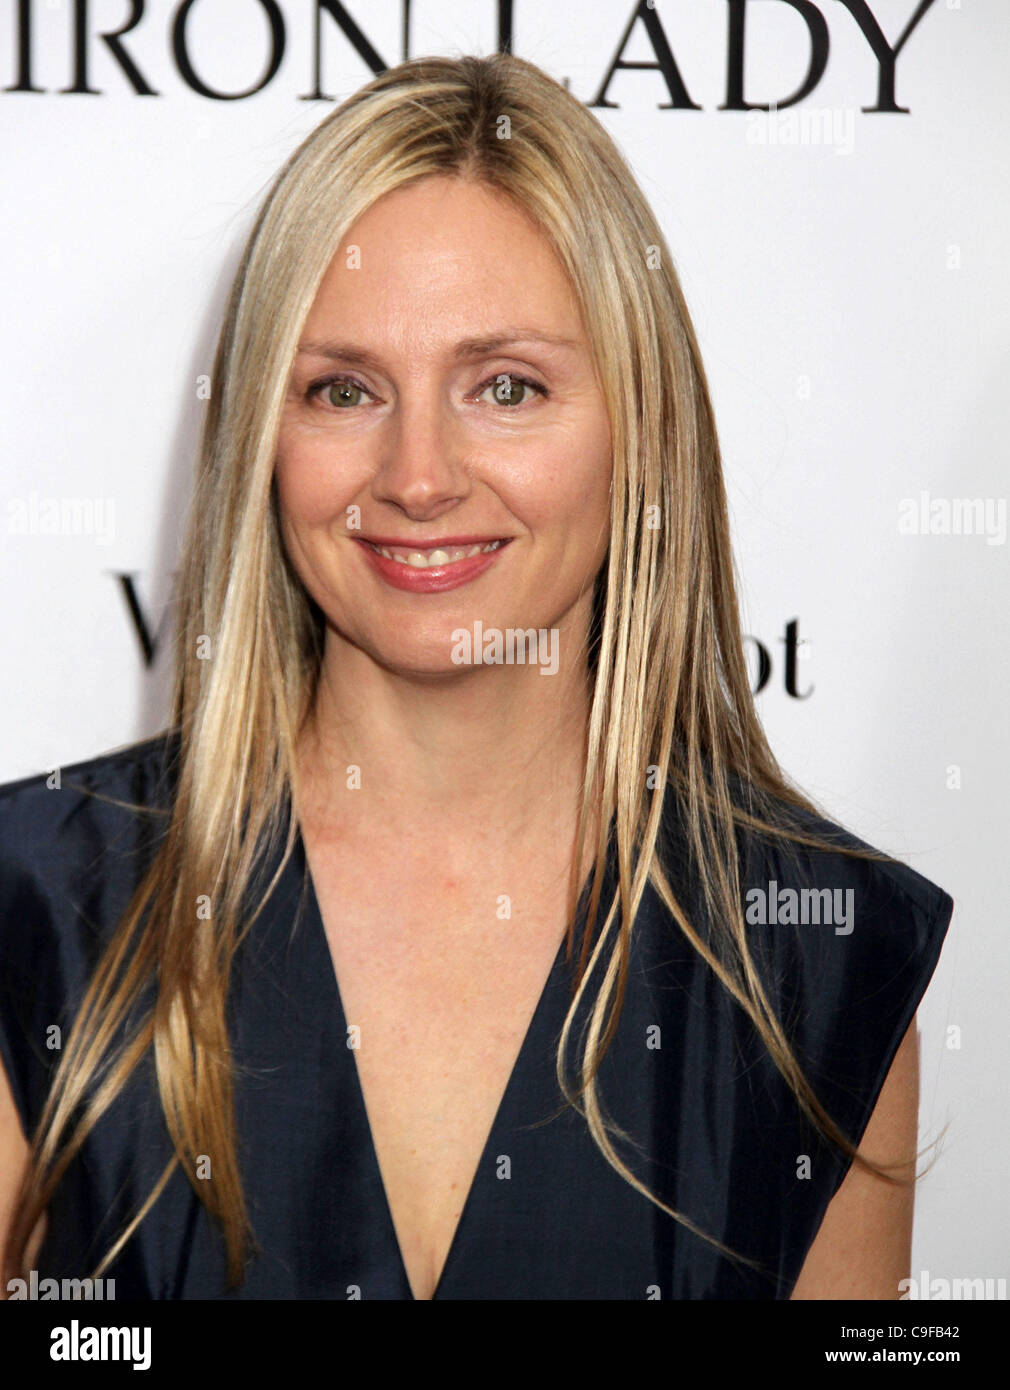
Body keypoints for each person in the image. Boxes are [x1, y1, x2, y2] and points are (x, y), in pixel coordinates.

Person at [0, 52, 952, 1302]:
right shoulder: (43, 904)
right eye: (343, 389)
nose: (416, 475)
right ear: (259, 439)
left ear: (639, 426)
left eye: (504, 386)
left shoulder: (815, 959)